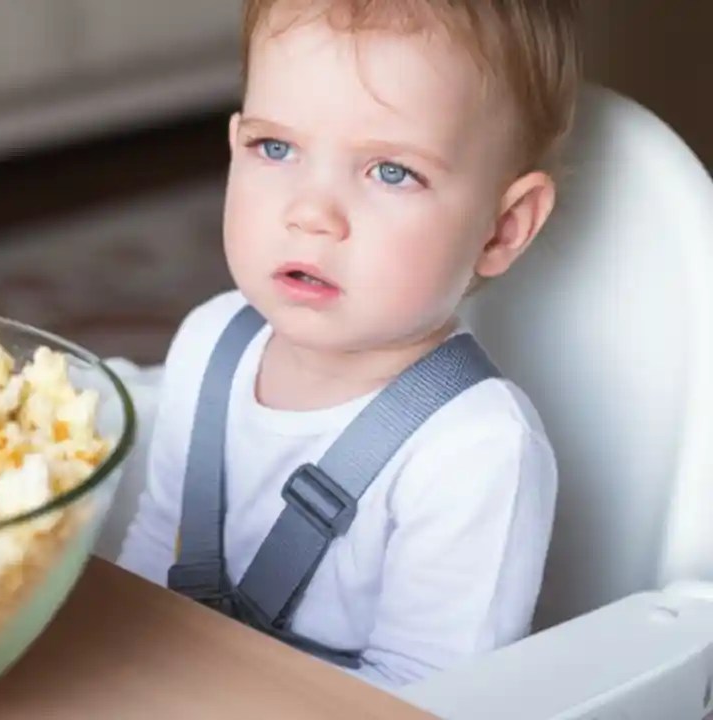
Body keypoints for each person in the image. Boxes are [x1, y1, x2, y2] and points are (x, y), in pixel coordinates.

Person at [116, 0, 581, 688]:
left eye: (391, 171)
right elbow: (155, 559)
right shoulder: (210, 340)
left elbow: (433, 699)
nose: (311, 212)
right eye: (276, 149)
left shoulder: (474, 451)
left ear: (502, 228)